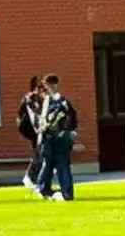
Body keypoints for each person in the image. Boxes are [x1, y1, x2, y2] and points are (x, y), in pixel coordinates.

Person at [33, 73, 78, 202]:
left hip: (60, 136)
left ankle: (67, 193)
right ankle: (44, 190)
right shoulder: (46, 101)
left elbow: (70, 118)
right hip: (48, 136)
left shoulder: (62, 101)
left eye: (48, 85)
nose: (47, 88)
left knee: (62, 164)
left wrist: (66, 132)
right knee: (47, 163)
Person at [17, 76, 46, 189]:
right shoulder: (31, 98)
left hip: (33, 128)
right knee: (39, 150)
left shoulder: (36, 98)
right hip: (28, 127)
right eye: (41, 89)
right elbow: (34, 114)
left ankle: (35, 176)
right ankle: (31, 177)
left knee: (39, 150)